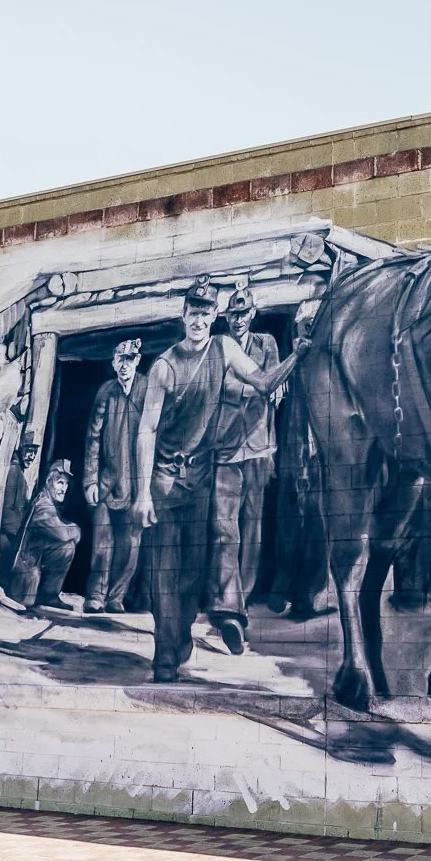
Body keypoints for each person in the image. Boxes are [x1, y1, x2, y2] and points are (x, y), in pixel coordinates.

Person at [132, 277, 308, 682]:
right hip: (163, 481)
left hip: (201, 480)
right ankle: (164, 657)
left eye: (205, 312)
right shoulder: (164, 366)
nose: (198, 319)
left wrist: (297, 354)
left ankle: (177, 641)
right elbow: (147, 430)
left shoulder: (224, 348)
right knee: (164, 573)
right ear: (183, 315)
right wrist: (143, 492)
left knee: (192, 572)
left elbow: (263, 383)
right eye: (192, 312)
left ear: (215, 316)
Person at [210, 288, 281, 649]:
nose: (239, 319)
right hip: (224, 449)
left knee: (252, 531)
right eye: (234, 314)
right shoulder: (219, 346)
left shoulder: (266, 344)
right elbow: (231, 387)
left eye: (244, 313)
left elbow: (271, 386)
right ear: (227, 317)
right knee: (225, 530)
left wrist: (247, 387)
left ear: (253, 313)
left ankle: (242, 600)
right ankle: (229, 610)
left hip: (257, 448)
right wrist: (253, 387)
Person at [83, 338, 146, 613]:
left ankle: (116, 597)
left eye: (130, 359)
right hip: (107, 482)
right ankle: (95, 596)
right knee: (102, 542)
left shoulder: (148, 389)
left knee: (130, 546)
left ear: (138, 360)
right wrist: (90, 479)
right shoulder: (106, 391)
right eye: (120, 359)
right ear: (113, 363)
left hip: (137, 484)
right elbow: (93, 438)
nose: (124, 365)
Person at [7, 459, 80, 611]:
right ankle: (47, 596)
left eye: (66, 484)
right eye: (60, 483)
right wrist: (76, 529)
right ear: (48, 481)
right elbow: (62, 534)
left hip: (31, 569)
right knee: (67, 546)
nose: (64, 489)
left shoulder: (47, 501)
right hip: (23, 581)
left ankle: (50, 596)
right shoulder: (43, 505)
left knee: (66, 548)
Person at [0, 438, 37, 593]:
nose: (31, 457)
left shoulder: (18, 472)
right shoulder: (14, 471)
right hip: (4, 534)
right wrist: (22, 533)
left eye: (35, 453)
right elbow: (6, 511)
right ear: (20, 449)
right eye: (29, 451)